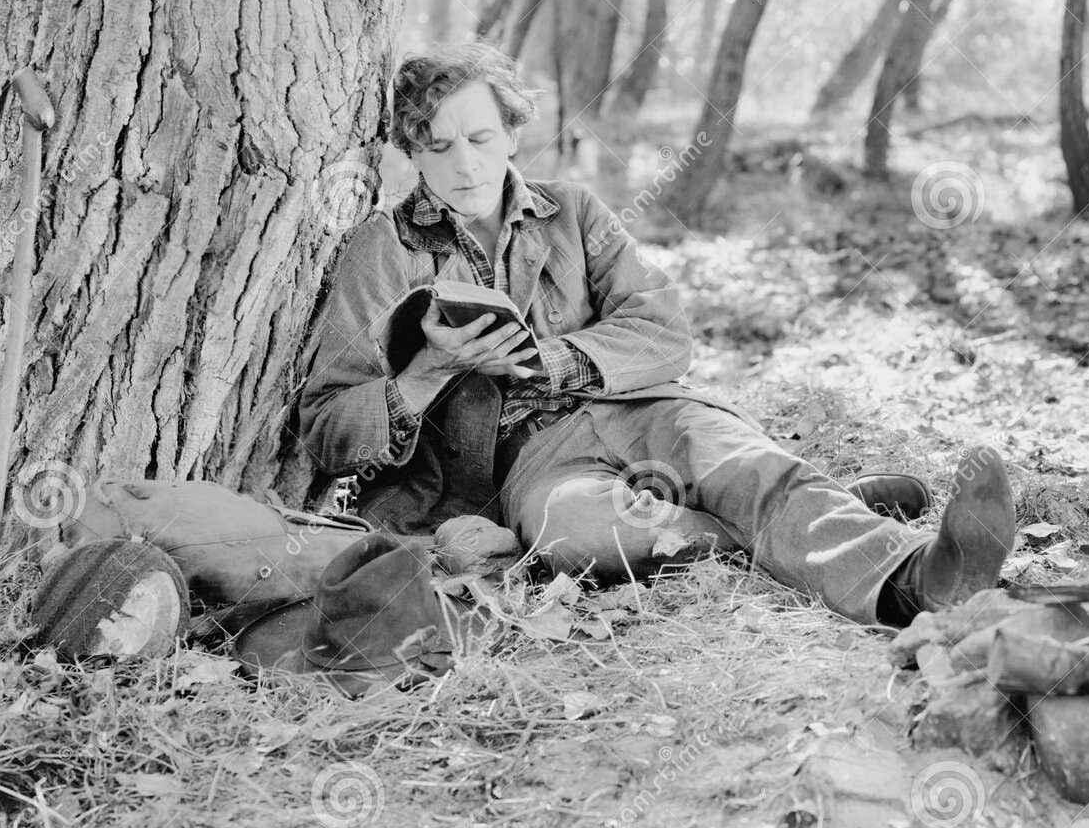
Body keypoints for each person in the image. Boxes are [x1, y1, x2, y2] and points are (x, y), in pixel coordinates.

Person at [296, 44, 1016, 628]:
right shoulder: (383, 248)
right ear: (412, 153)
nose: (464, 164)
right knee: (575, 533)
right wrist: (425, 373)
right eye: (438, 145)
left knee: (740, 464)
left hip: (636, 408)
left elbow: (662, 329)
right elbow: (328, 426)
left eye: (482, 138)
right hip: (525, 473)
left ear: (514, 134)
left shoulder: (570, 211)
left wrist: (556, 358)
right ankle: (789, 524)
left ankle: (918, 579)